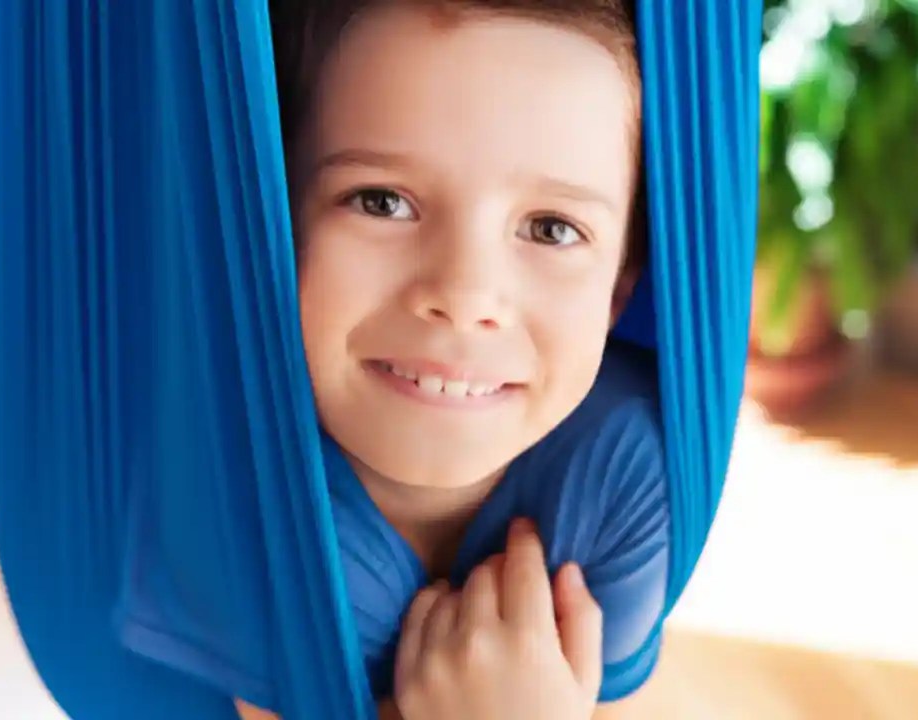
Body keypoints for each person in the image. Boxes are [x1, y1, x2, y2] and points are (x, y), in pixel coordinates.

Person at [114, 1, 670, 717]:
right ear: (277, 225)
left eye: (552, 228)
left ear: (620, 292)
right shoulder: (232, 495)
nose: (464, 296)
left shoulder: (626, 474)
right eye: (381, 201)